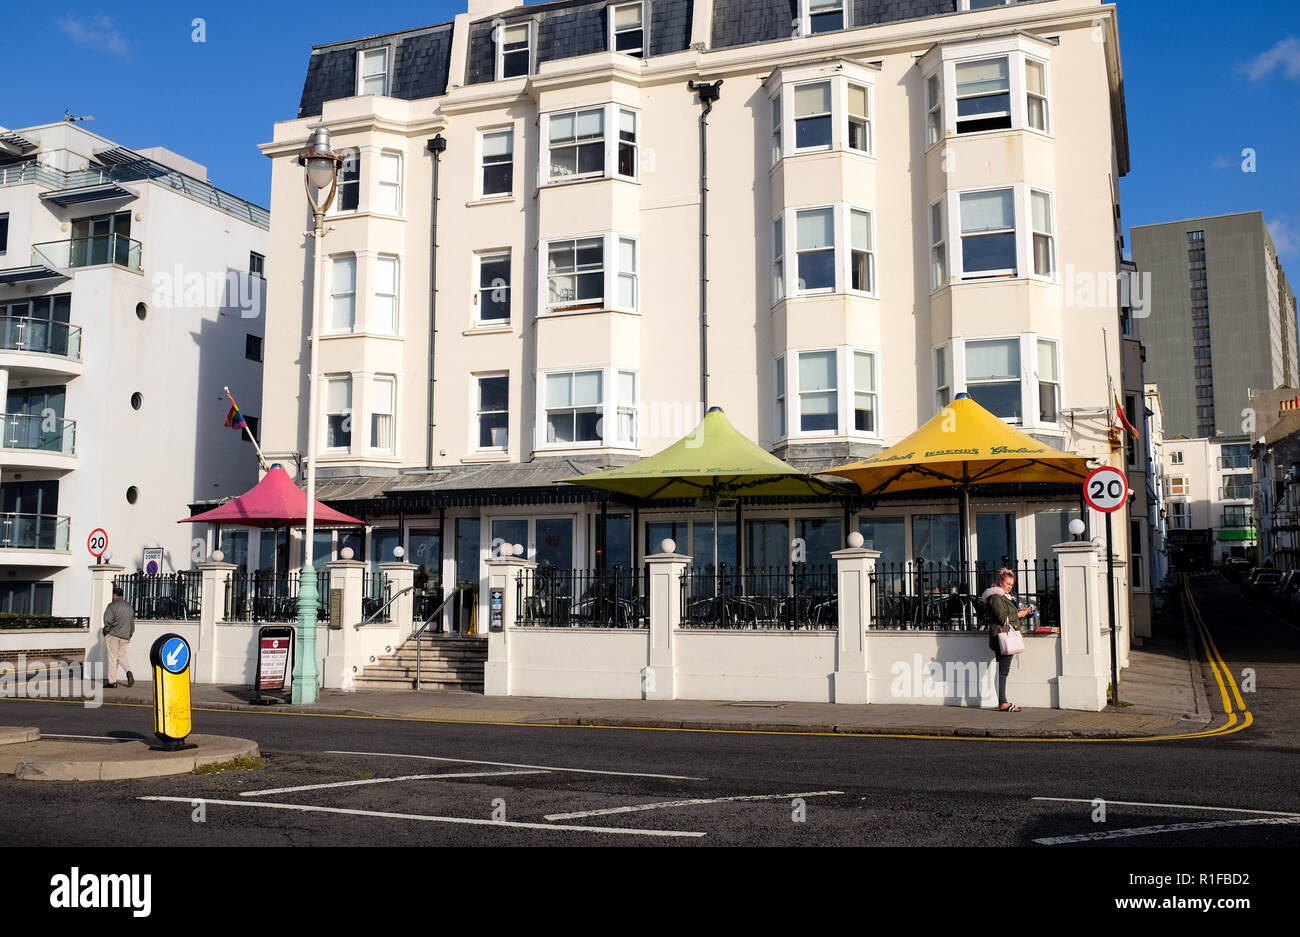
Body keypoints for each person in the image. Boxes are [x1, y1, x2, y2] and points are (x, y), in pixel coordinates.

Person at [980, 568, 1034, 712]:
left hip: (1003, 636)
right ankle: (1003, 702)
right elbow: (1004, 618)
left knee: (1003, 670)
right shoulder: (996, 598)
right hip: (1002, 637)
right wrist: (1020, 615)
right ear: (1000, 582)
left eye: (1012, 584)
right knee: (1003, 671)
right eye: (1007, 583)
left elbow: (1008, 616)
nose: (1010, 586)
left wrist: (1022, 614)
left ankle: (1002, 701)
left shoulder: (1004, 597)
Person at [102, 587, 135, 689]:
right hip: (125, 635)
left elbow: (107, 620)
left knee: (112, 658)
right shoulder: (129, 607)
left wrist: (106, 631)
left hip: (113, 634)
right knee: (121, 656)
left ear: (114, 595)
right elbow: (131, 623)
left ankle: (112, 682)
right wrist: (130, 635)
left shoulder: (112, 606)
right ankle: (128, 671)